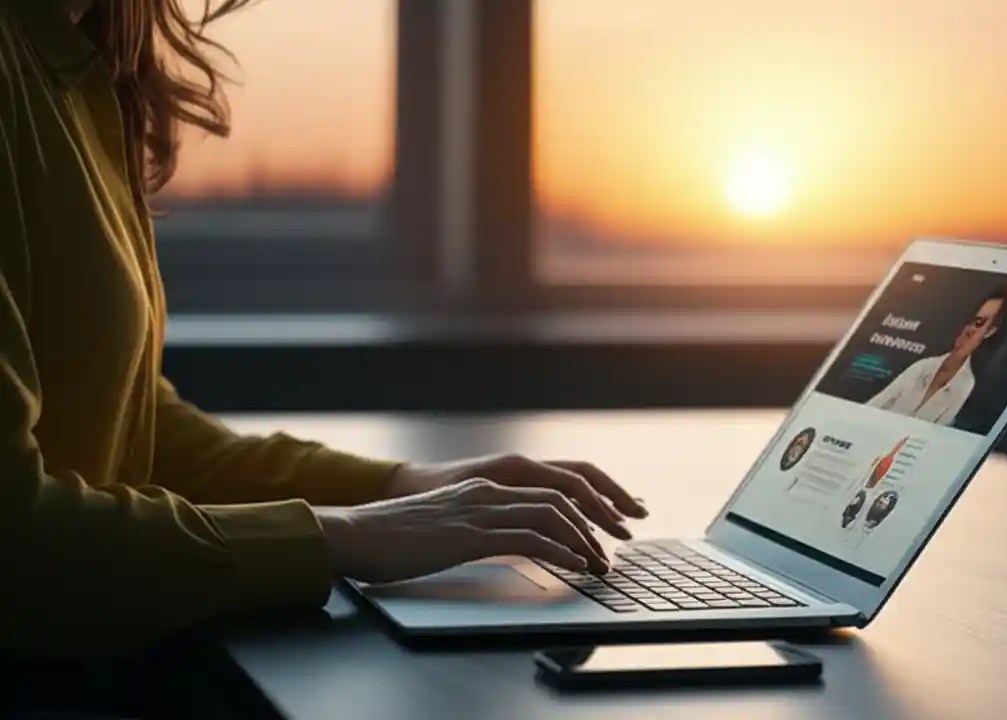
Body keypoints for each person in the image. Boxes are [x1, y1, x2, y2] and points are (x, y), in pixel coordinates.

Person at [0, 0, 646, 659]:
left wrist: (405, 489)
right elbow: (14, 541)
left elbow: (136, 433)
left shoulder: (75, 61)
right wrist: (344, 535)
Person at [865, 283, 1007, 426]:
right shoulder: (922, 366)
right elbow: (875, 404)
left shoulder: (966, 386)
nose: (969, 330)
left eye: (980, 323)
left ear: (991, 332)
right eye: (972, 320)